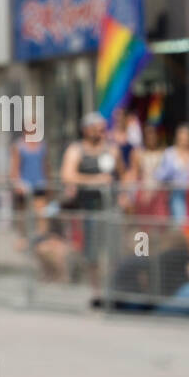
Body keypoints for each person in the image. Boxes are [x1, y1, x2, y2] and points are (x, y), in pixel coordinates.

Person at [62, 112, 121, 293]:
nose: (101, 132)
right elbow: (67, 175)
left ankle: (112, 290)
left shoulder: (112, 149)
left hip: (111, 207)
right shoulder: (76, 150)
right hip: (89, 209)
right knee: (92, 254)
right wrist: (95, 180)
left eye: (103, 129)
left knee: (113, 251)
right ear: (86, 130)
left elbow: (124, 173)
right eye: (97, 129)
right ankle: (96, 292)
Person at [156, 123, 189, 224]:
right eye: (181, 138)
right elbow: (160, 175)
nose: (184, 141)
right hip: (177, 194)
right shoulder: (170, 153)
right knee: (181, 224)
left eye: (186, 138)